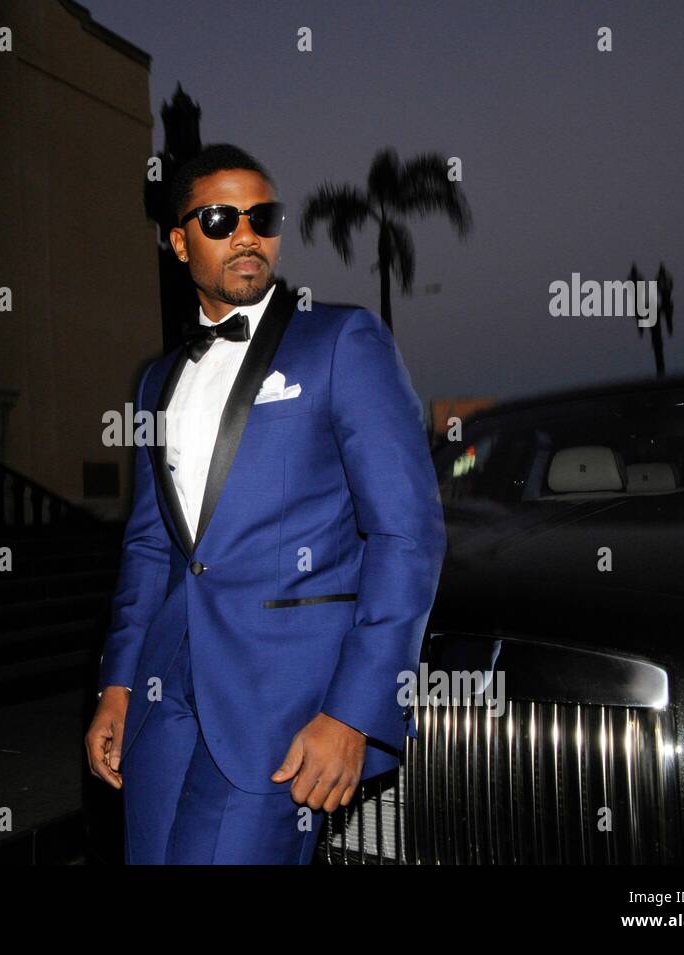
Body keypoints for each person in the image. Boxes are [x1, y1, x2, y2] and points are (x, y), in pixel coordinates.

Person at [85, 144, 446, 864]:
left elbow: (407, 534)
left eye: (263, 216)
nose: (247, 234)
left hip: (281, 705)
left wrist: (354, 710)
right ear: (179, 240)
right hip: (165, 693)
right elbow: (152, 546)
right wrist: (118, 683)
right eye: (221, 219)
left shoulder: (343, 341)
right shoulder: (156, 382)